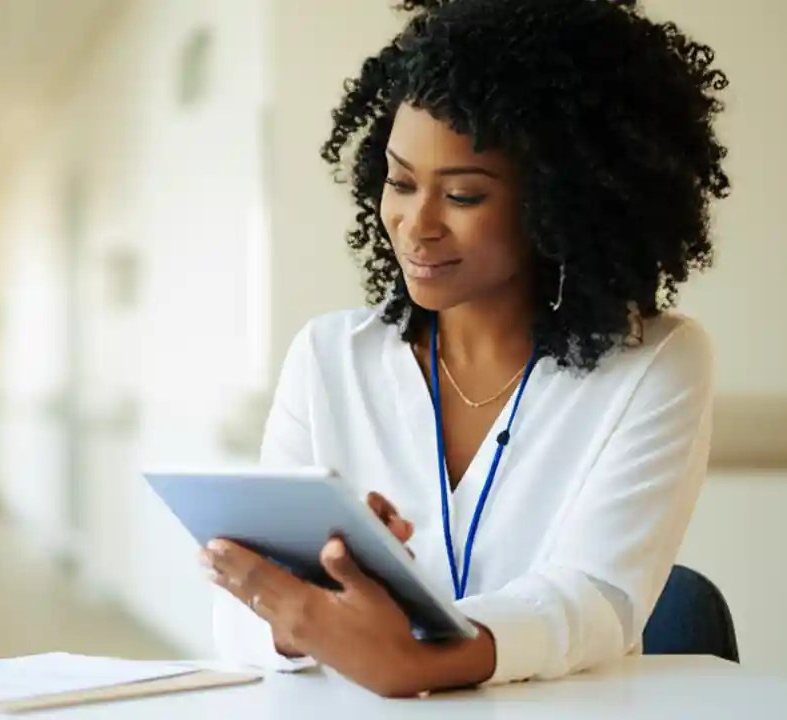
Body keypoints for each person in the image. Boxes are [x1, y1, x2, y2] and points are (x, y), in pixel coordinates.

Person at [199, 0, 730, 697]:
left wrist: (419, 659)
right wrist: (305, 607)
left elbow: (597, 600)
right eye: (400, 181)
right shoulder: (329, 357)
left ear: (558, 203)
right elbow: (234, 620)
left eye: (464, 195)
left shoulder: (655, 362)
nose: (416, 225)